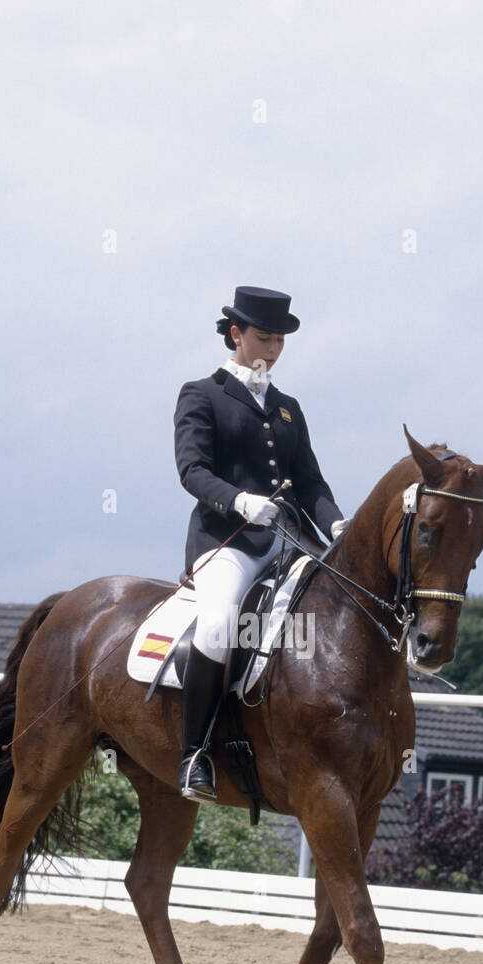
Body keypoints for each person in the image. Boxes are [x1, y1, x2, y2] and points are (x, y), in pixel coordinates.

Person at [173, 285, 350, 802]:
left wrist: (338, 526)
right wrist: (240, 501)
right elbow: (193, 470)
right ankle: (195, 754)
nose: (272, 348)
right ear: (236, 333)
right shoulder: (201, 393)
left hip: (289, 537)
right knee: (220, 620)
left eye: (279, 340)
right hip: (226, 539)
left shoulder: (288, 407)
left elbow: (311, 482)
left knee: (337, 609)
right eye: (263, 337)